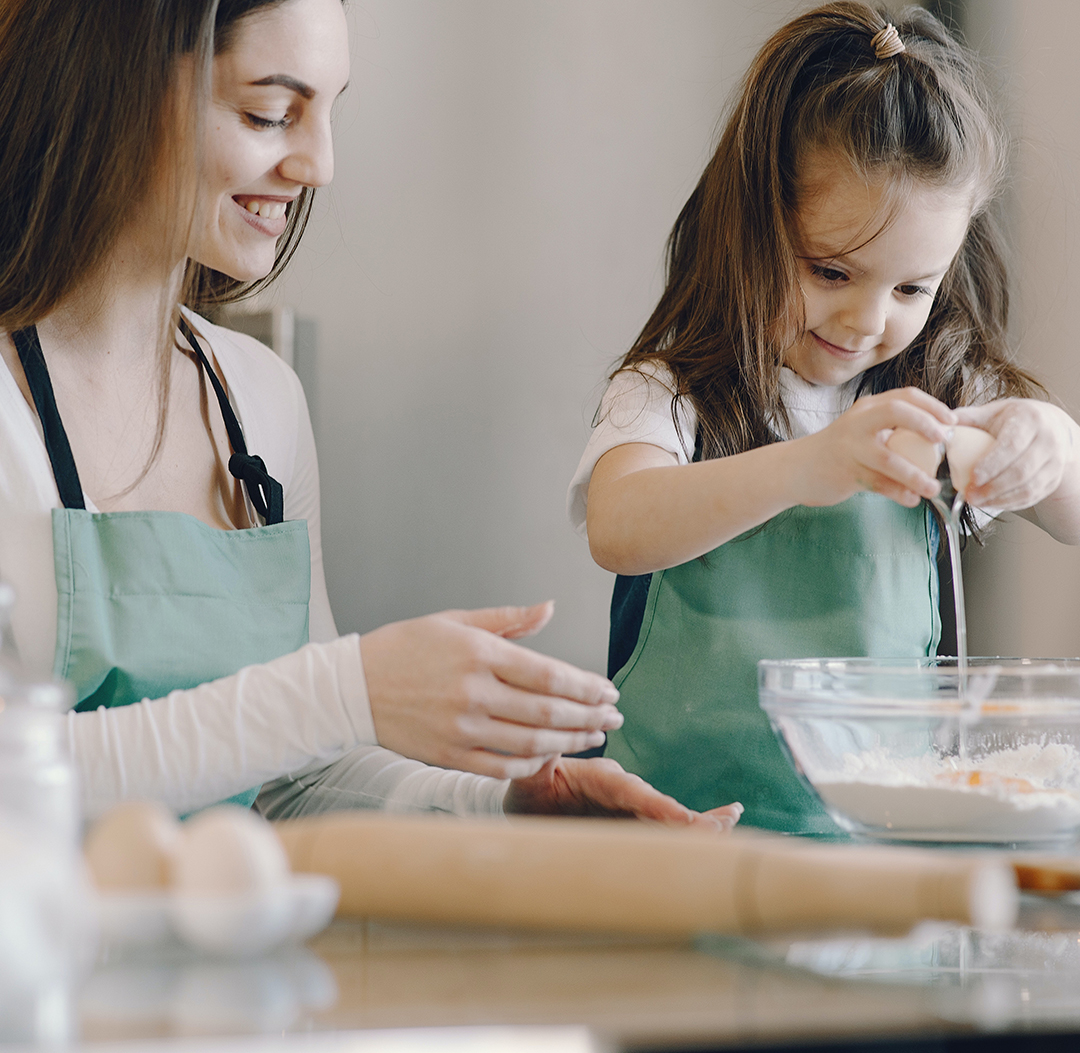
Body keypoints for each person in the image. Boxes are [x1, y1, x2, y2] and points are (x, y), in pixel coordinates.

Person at [0, 0, 743, 831]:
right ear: (112, 86)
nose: (318, 165)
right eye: (270, 113)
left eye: (329, 112)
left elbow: (295, 779)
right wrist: (347, 690)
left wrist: (505, 809)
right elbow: (14, 778)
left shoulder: (259, 401)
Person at [569, 2, 1080, 834]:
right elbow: (619, 526)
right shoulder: (672, 392)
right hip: (673, 838)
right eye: (831, 271)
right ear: (749, 226)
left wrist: (1051, 446)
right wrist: (809, 466)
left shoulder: (939, 398)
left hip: (872, 842)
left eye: (912, 288)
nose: (867, 320)